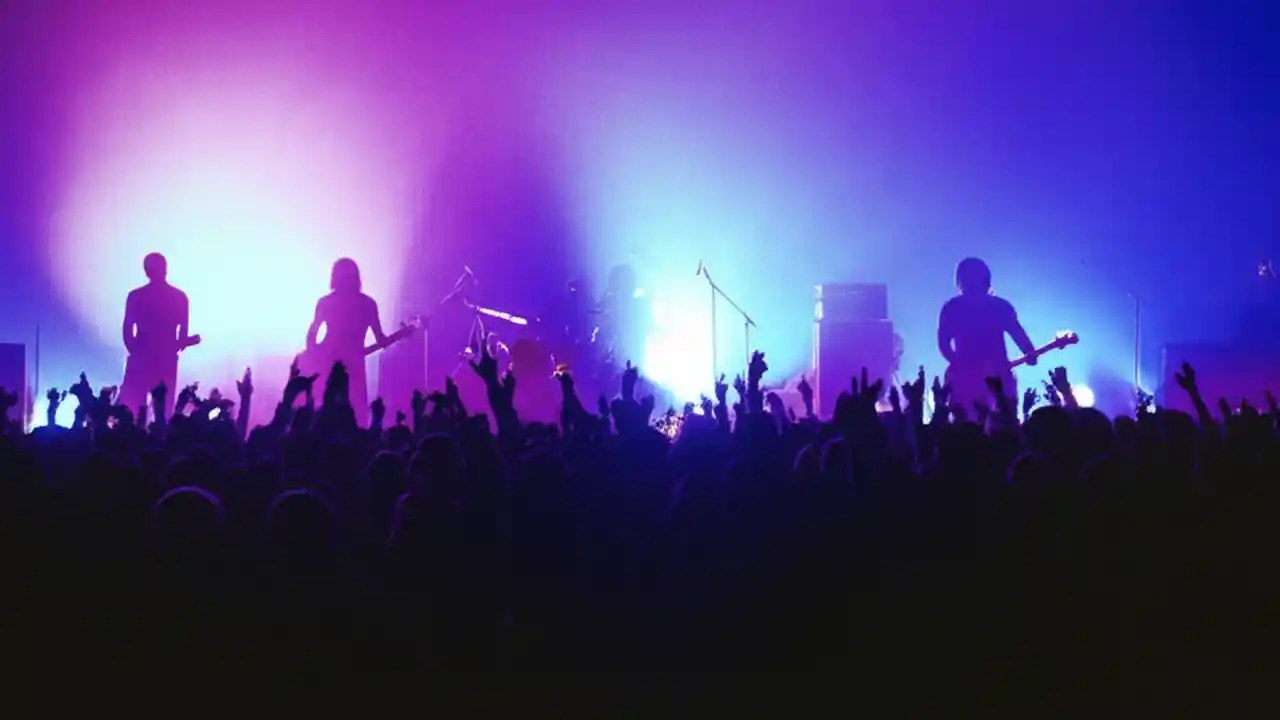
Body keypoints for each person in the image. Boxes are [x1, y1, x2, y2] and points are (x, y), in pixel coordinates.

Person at [937, 257, 1036, 412]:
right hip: (970, 379)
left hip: (993, 376)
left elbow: (1018, 334)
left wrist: (1028, 351)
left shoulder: (955, 307)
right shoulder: (954, 308)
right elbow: (943, 343)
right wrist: (962, 365)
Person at [305, 258, 388, 423]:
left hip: (332, 366)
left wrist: (316, 355)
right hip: (351, 365)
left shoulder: (326, 303)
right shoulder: (367, 304)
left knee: (327, 413)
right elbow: (381, 340)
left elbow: (311, 337)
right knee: (355, 414)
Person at [119, 252, 192, 419]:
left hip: (141, 356)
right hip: (166, 357)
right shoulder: (179, 297)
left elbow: (127, 329)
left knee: (131, 409)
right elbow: (182, 338)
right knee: (164, 410)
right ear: (165, 269)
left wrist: (135, 351)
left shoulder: (136, 296)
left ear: (146, 271)